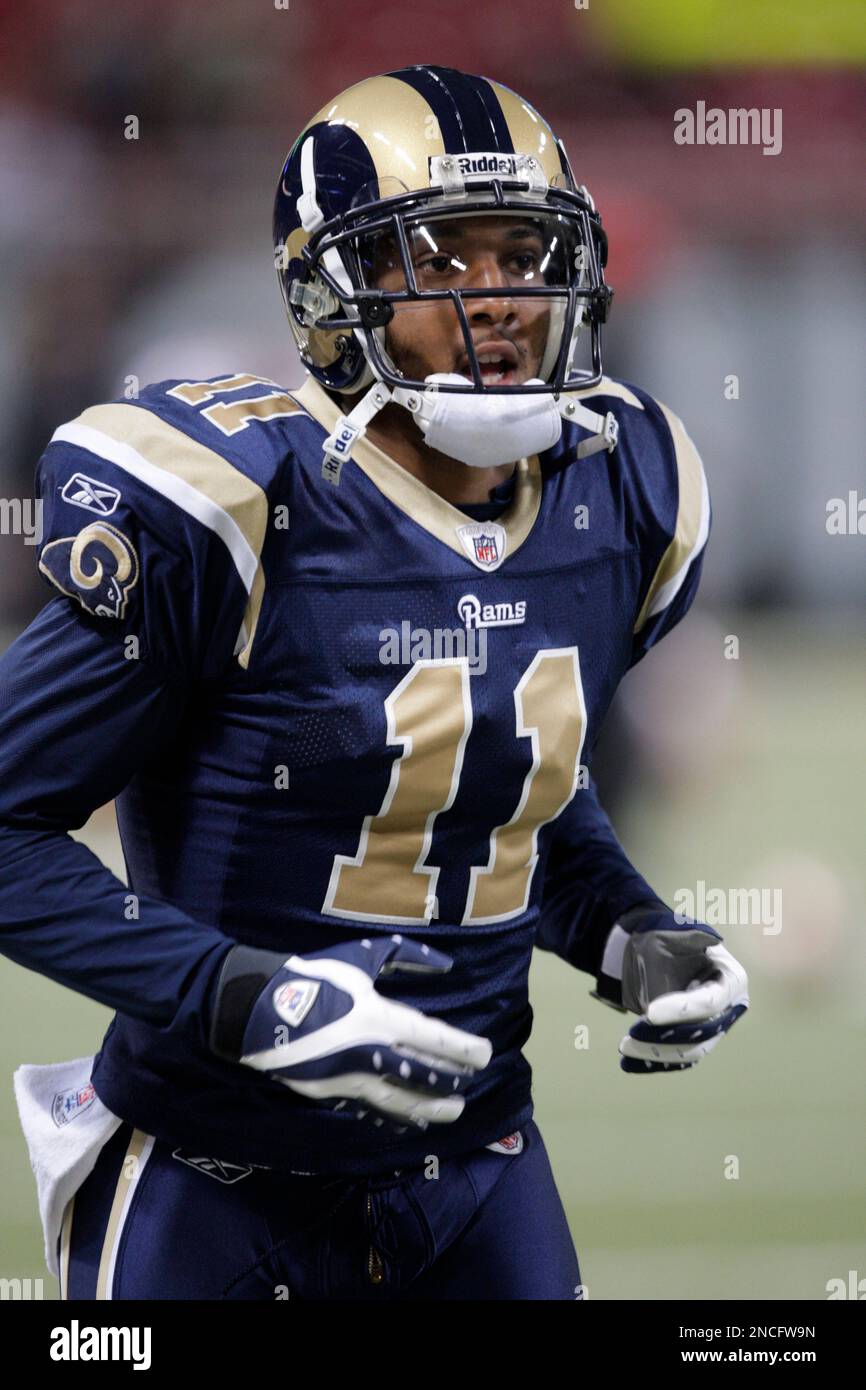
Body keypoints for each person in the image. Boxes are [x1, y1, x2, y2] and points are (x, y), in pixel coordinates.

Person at [0, 65, 748, 1301]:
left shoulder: (625, 486)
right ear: (328, 291)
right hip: (213, 1181)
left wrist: (625, 925)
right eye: (444, 260)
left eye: (522, 254)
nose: (498, 299)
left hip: (481, 1169)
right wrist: (240, 997)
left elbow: (510, 776)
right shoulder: (232, 502)